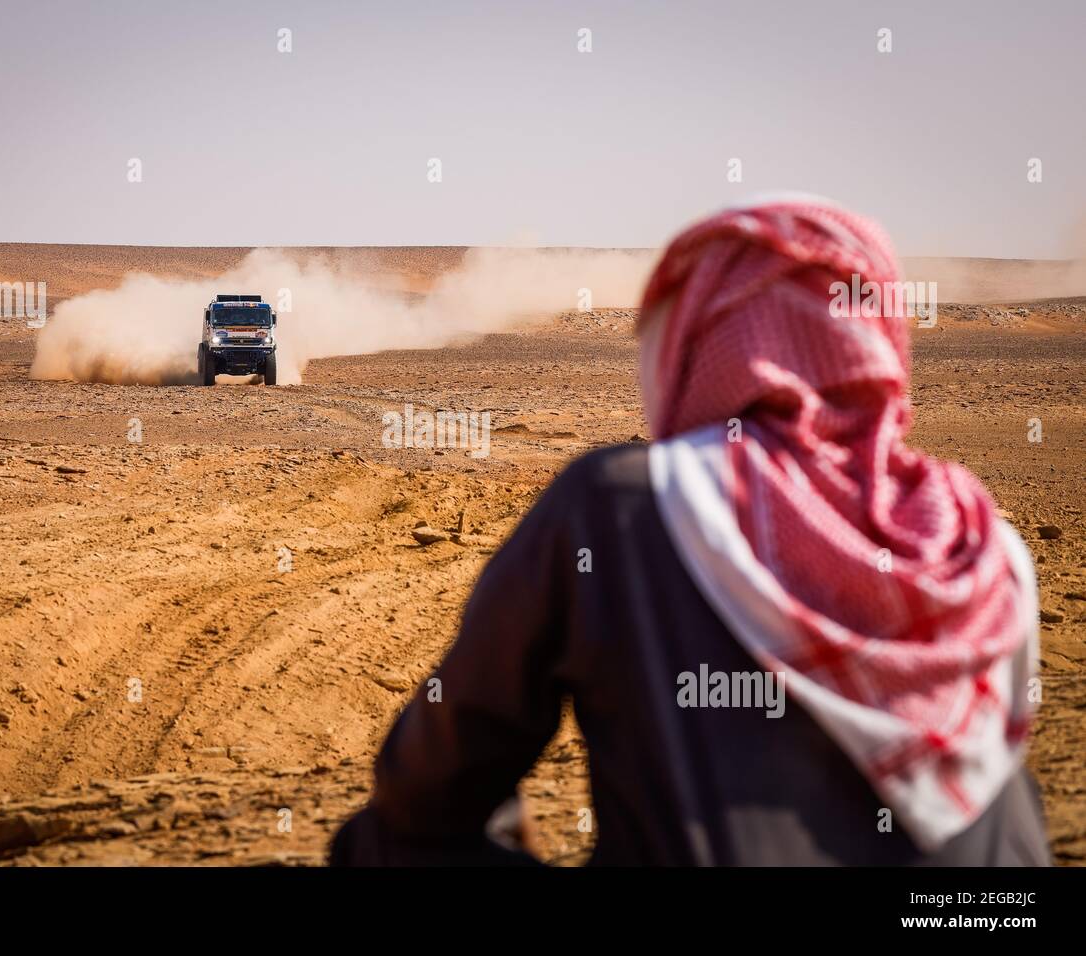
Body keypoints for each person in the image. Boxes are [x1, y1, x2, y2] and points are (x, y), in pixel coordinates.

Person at [330, 196, 1050, 866]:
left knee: (378, 846)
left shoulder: (626, 505)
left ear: (701, 341)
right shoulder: (979, 537)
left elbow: (431, 781)